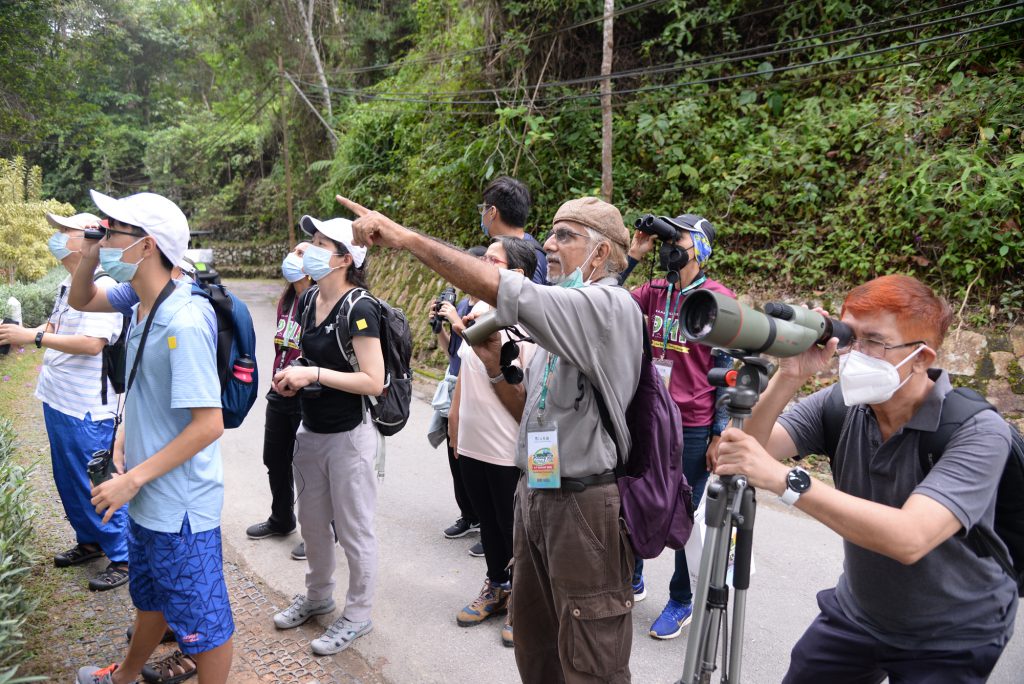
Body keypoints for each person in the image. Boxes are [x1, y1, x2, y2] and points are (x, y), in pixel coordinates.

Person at [340, 193, 642, 683]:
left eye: (566, 235)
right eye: (553, 230)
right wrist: (496, 371)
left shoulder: (607, 306)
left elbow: (506, 289)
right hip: (539, 492)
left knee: (591, 658)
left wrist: (406, 238)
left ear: (601, 253)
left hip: (584, 507)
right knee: (536, 642)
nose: (549, 242)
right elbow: (531, 412)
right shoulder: (566, 319)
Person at [715, 274, 1017, 683]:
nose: (855, 353)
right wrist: (790, 376)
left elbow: (910, 538)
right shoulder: (842, 407)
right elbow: (748, 451)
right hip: (859, 614)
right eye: (849, 336)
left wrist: (787, 482)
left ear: (923, 357)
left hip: (951, 632)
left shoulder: (976, 430)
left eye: (875, 341)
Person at [79, 190, 232, 684]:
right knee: (152, 598)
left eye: (113, 232)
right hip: (149, 496)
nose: (104, 239)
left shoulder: (183, 321)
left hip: (180, 507)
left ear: (146, 247)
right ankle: (125, 676)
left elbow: (209, 424)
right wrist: (88, 253)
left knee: (204, 629)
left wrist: (131, 480)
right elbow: (84, 297)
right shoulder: (142, 303)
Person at [269, 214, 384, 656]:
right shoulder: (310, 297)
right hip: (311, 429)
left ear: (345, 258)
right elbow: (296, 350)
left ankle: (357, 614)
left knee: (354, 530)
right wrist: (291, 377)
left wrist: (314, 372)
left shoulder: (360, 308)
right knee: (312, 524)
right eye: (311, 238)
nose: (308, 248)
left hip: (350, 437)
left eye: (321, 242)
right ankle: (318, 596)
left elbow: (374, 381)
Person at [0, 211, 128, 592]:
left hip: (89, 405)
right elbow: (54, 329)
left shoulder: (104, 288)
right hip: (59, 398)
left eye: (65, 230)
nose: (57, 236)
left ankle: (123, 556)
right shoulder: (67, 284)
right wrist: (21, 333)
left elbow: (92, 344)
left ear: (92, 238)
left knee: (97, 481)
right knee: (68, 479)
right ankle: (89, 541)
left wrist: (34, 339)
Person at [620, 214, 733, 639]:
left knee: (683, 514)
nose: (671, 245)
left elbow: (726, 370)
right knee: (632, 497)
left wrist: (719, 432)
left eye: (678, 238)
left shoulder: (717, 299)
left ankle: (681, 600)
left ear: (701, 248)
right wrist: (634, 254)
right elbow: (603, 300)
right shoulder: (653, 290)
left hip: (692, 426)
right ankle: (631, 578)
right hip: (647, 414)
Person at [448, 237, 538, 648]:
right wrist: (454, 423)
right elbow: (465, 377)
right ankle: (497, 586)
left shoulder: (530, 327)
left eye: (491, 259)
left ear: (516, 275)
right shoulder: (477, 311)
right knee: (489, 527)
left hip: (508, 450)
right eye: (481, 258)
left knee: (514, 528)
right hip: (472, 443)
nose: (481, 264)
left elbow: (531, 405)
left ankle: (525, 600)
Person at [245, 242, 312, 559]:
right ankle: (282, 518)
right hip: (278, 391)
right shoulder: (286, 300)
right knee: (274, 459)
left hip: (309, 396)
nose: (292, 257)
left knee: (309, 468)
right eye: (294, 251)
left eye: (301, 253)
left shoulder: (318, 301)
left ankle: (320, 534)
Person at [430, 245, 487, 553]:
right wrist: (440, 326)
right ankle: (468, 515)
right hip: (454, 384)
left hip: (478, 389)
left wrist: (456, 320)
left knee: (476, 460)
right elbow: (451, 349)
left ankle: (488, 527)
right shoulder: (462, 302)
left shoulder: (489, 307)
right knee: (455, 458)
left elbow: (476, 345)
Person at [478, 176, 548, 285]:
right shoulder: (504, 248)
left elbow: (530, 299)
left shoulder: (529, 256)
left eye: (483, 209)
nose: (482, 214)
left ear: (492, 212)